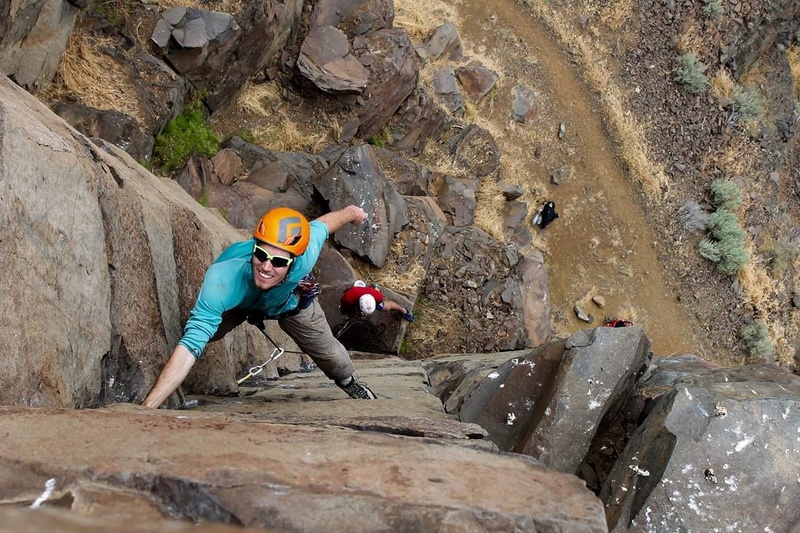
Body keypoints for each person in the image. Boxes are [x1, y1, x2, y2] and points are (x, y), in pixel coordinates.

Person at [142, 205, 377, 407]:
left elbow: (324, 224)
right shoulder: (223, 278)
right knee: (197, 336)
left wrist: (352, 212)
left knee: (331, 355)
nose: (266, 266)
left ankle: (349, 382)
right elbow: (189, 347)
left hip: (288, 302)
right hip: (239, 303)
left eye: (278, 261)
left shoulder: (306, 255)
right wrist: (148, 407)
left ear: (294, 261)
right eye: (261, 254)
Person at [340, 280, 415, 322]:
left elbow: (385, 303)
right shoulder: (349, 297)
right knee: (347, 311)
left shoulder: (378, 296)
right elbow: (344, 305)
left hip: (369, 297)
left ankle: (403, 310)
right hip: (355, 298)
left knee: (387, 306)